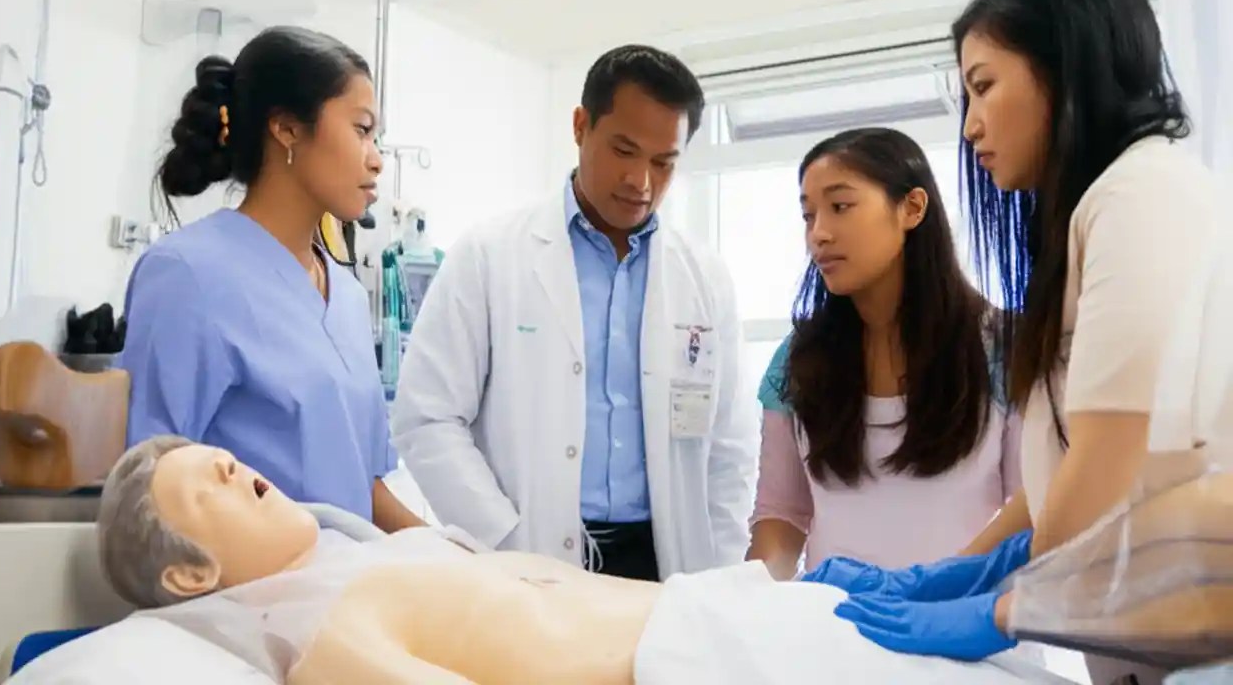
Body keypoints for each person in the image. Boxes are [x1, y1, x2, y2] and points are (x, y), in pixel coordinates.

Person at [808, 0, 1224, 682]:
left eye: (983, 85)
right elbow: (1067, 466)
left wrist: (997, 607)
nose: (970, 126)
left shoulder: (1141, 196)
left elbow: (1110, 460)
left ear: (1063, 67)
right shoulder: (1107, 207)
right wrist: (958, 572)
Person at [94, 435, 1064, 685]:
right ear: (188, 576)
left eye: (218, 457)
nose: (230, 463)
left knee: (1019, 647)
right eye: (204, 487)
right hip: (697, 663)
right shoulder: (326, 636)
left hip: (725, 622)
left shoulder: (383, 557)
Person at [391, 45, 758, 581]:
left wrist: (719, 564)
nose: (641, 181)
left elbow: (731, 444)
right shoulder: (492, 254)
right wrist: (501, 536)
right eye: (624, 150)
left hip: (667, 560)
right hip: (528, 552)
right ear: (581, 126)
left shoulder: (703, 275)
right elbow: (425, 416)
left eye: (663, 162)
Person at [116, 26, 423, 532]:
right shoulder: (188, 275)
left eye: (377, 138)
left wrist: (455, 556)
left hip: (350, 585)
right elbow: (150, 492)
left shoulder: (344, 295)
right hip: (249, 597)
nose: (376, 159)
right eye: (362, 130)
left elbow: (360, 489)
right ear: (287, 129)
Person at [746, 127, 1021, 582]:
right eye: (808, 215)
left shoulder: (1001, 348)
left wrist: (938, 591)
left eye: (840, 207)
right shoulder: (800, 359)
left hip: (965, 629)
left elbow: (1036, 508)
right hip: (833, 632)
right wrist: (756, 604)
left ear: (911, 207)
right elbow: (781, 513)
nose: (820, 233)